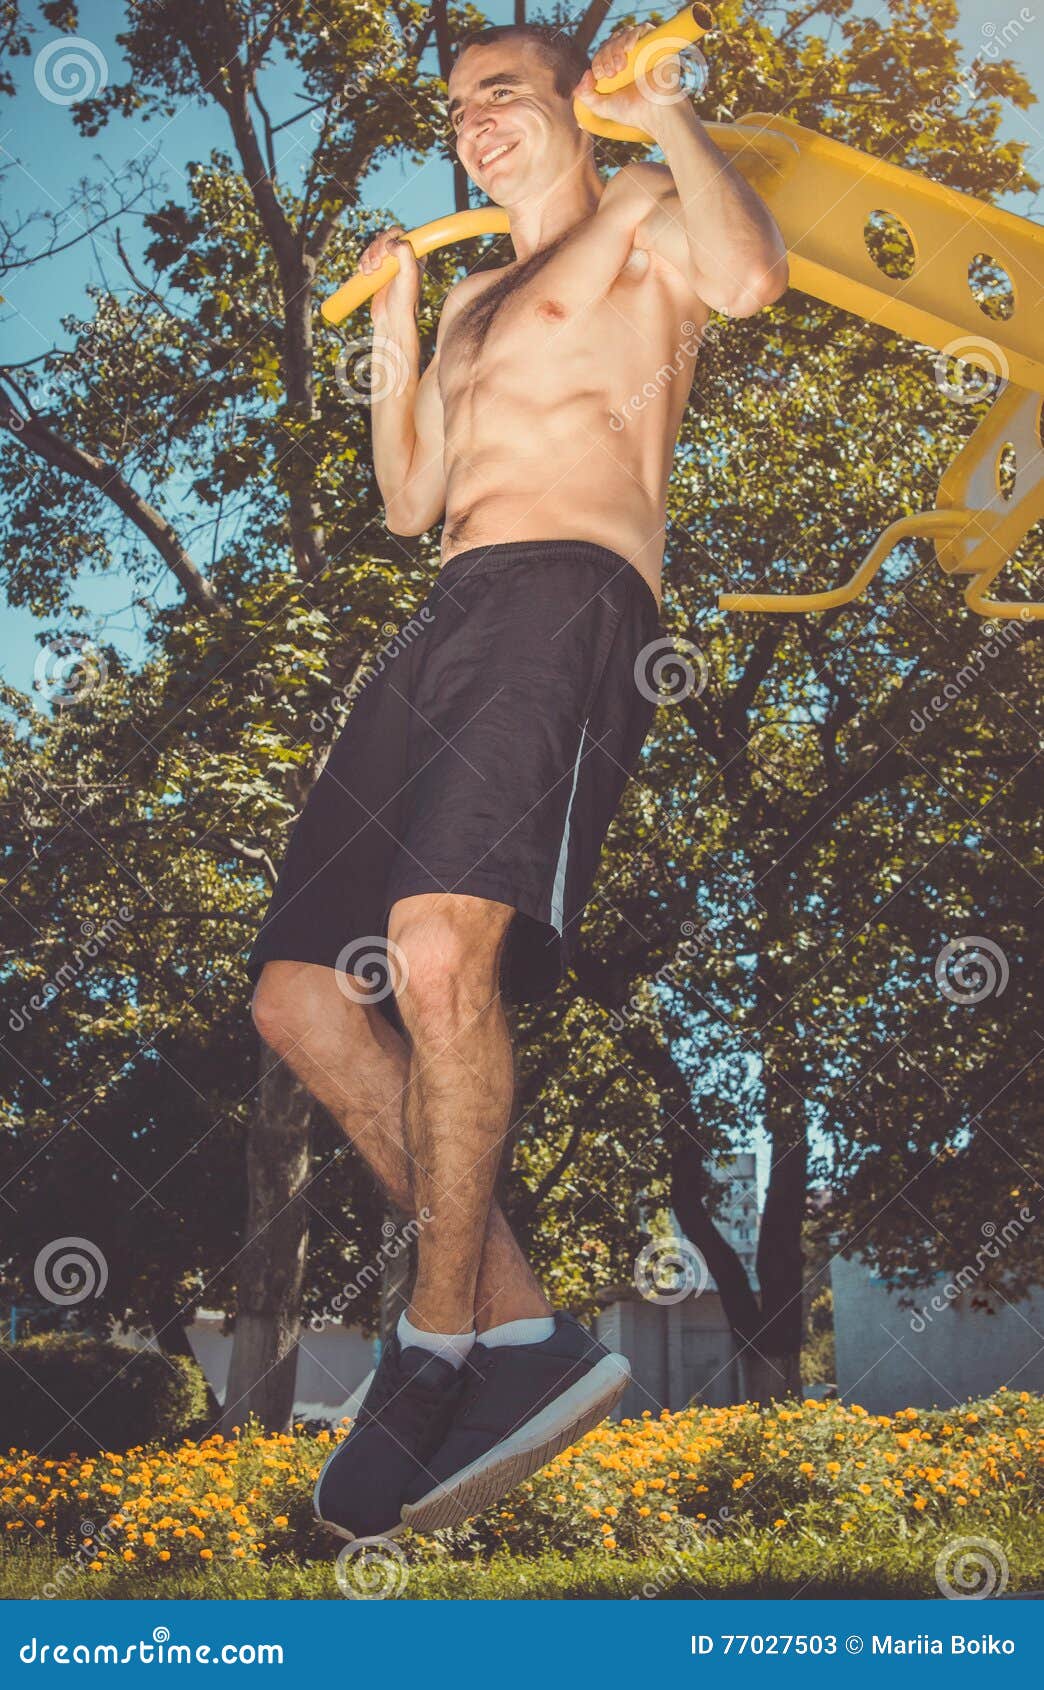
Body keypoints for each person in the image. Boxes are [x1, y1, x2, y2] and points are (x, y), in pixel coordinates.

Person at [247, 20, 788, 1542]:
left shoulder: (642, 224)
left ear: (574, 108)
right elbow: (412, 493)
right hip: (449, 615)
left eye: (504, 94)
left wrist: (669, 111)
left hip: (571, 598)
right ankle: (524, 1331)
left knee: (435, 955)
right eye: (458, 108)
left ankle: (433, 1355)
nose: (475, 123)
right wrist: (397, 315)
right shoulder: (478, 296)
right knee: (299, 994)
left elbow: (752, 278)